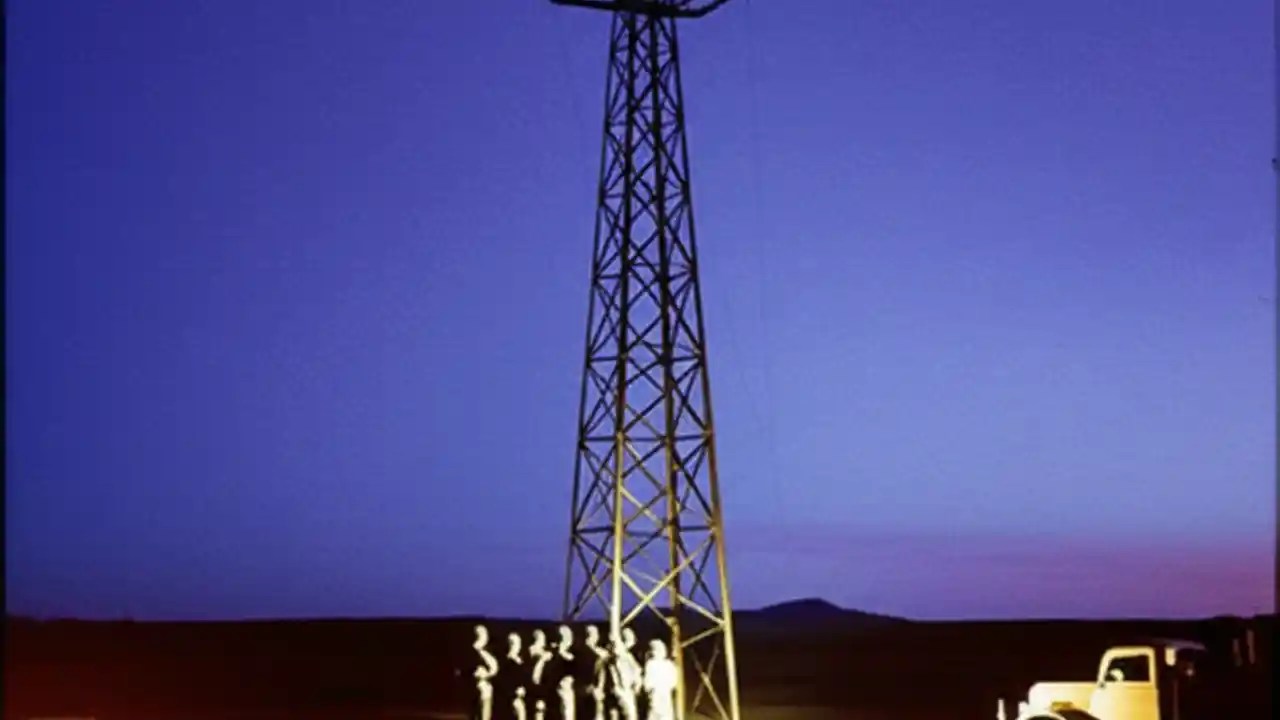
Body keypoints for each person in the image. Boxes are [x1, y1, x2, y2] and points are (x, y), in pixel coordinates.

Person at [642, 639, 677, 720]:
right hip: (664, 694)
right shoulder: (669, 664)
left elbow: (647, 682)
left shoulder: (651, 664)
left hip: (657, 693)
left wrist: (648, 690)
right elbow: (673, 682)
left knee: (655, 714)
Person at [473, 625, 500, 720]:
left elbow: (494, 669)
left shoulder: (484, 653)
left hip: (485, 687)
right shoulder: (476, 651)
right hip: (478, 687)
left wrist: (487, 675)